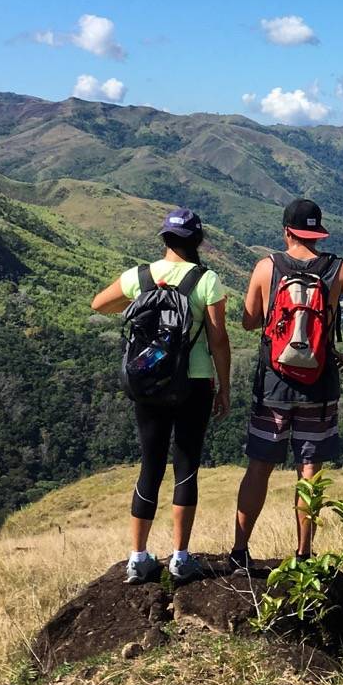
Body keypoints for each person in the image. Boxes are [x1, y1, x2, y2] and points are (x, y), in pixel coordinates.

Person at [231, 198, 343, 571]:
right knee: (309, 470)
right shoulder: (337, 268)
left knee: (260, 465)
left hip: (273, 383)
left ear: (286, 231)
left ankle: (239, 551)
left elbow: (249, 322)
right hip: (320, 382)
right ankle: (303, 554)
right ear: (317, 233)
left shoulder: (267, 267)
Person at [91, 207, 231, 584]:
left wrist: (137, 301)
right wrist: (224, 387)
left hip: (149, 383)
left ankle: (138, 558)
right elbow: (219, 340)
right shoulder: (207, 281)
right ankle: (180, 558)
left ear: (165, 240)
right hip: (195, 381)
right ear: (197, 242)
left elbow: (99, 304)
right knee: (186, 466)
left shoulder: (140, 276)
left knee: (150, 464)